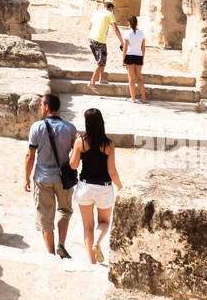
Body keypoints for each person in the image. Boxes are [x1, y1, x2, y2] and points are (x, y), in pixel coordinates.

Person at [24, 94, 77, 259]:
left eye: (41, 104)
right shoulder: (70, 128)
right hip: (64, 179)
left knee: (46, 219)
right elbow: (76, 154)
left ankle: (51, 255)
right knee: (65, 210)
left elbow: (30, 156)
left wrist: (26, 177)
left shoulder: (36, 127)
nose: (41, 107)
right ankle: (61, 244)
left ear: (47, 107)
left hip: (43, 178)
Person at [69, 107, 123, 264]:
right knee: (104, 223)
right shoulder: (109, 144)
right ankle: (97, 242)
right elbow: (112, 171)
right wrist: (120, 186)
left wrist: (74, 146)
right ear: (101, 123)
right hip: (104, 188)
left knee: (87, 226)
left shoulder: (80, 142)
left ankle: (91, 262)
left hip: (85, 187)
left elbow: (73, 165)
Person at [87, 0, 124, 88]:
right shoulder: (110, 14)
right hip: (100, 40)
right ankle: (92, 82)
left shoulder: (96, 12)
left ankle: (101, 79)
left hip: (91, 39)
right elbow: (115, 28)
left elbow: (89, 27)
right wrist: (122, 41)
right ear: (111, 8)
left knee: (101, 60)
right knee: (101, 62)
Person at [123, 15, 147, 103]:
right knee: (139, 78)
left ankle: (133, 99)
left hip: (129, 56)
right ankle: (144, 98)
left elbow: (125, 48)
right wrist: (142, 59)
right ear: (137, 23)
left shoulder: (127, 33)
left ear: (129, 23)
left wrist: (123, 60)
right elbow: (143, 48)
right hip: (139, 56)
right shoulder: (142, 33)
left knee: (131, 79)